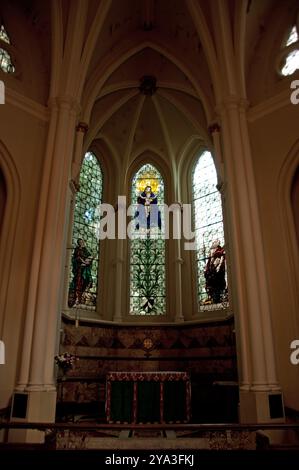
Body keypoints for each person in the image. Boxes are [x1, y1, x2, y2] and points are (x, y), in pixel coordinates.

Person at [68, 238, 93, 307]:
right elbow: (75, 258)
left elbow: (90, 256)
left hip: (84, 269)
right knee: (78, 282)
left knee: (87, 280)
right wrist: (81, 261)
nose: (81, 243)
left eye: (82, 242)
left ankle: (81, 297)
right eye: (80, 242)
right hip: (79, 269)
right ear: (78, 243)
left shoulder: (85, 250)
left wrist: (87, 261)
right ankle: (76, 298)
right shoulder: (77, 249)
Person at [204, 239, 226, 304]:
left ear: (218, 243)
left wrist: (219, 265)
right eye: (213, 242)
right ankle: (213, 298)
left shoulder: (220, 250)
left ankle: (218, 298)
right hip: (210, 269)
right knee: (210, 283)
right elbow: (209, 259)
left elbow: (222, 258)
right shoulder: (211, 250)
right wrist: (206, 266)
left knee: (217, 284)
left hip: (217, 269)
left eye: (216, 242)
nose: (214, 243)